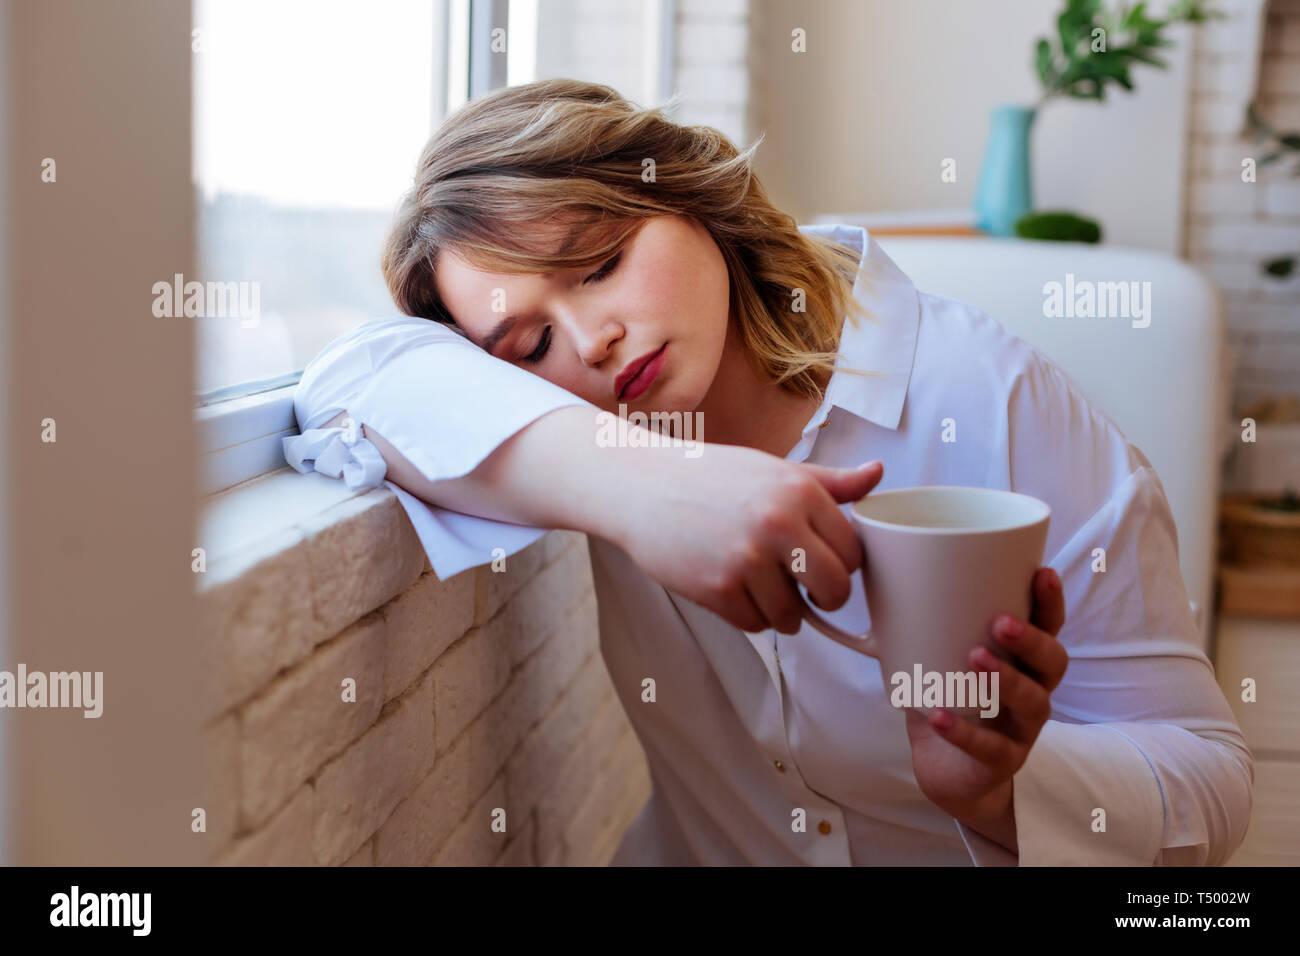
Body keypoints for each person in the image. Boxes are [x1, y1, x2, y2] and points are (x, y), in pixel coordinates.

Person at [284, 78, 1252, 865]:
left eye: (600, 263)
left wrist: (1001, 790)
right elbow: (348, 384)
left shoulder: (990, 396)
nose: (592, 338)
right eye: (529, 343)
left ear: (682, 195)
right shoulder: (582, 427)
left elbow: (1209, 783)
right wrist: (643, 488)